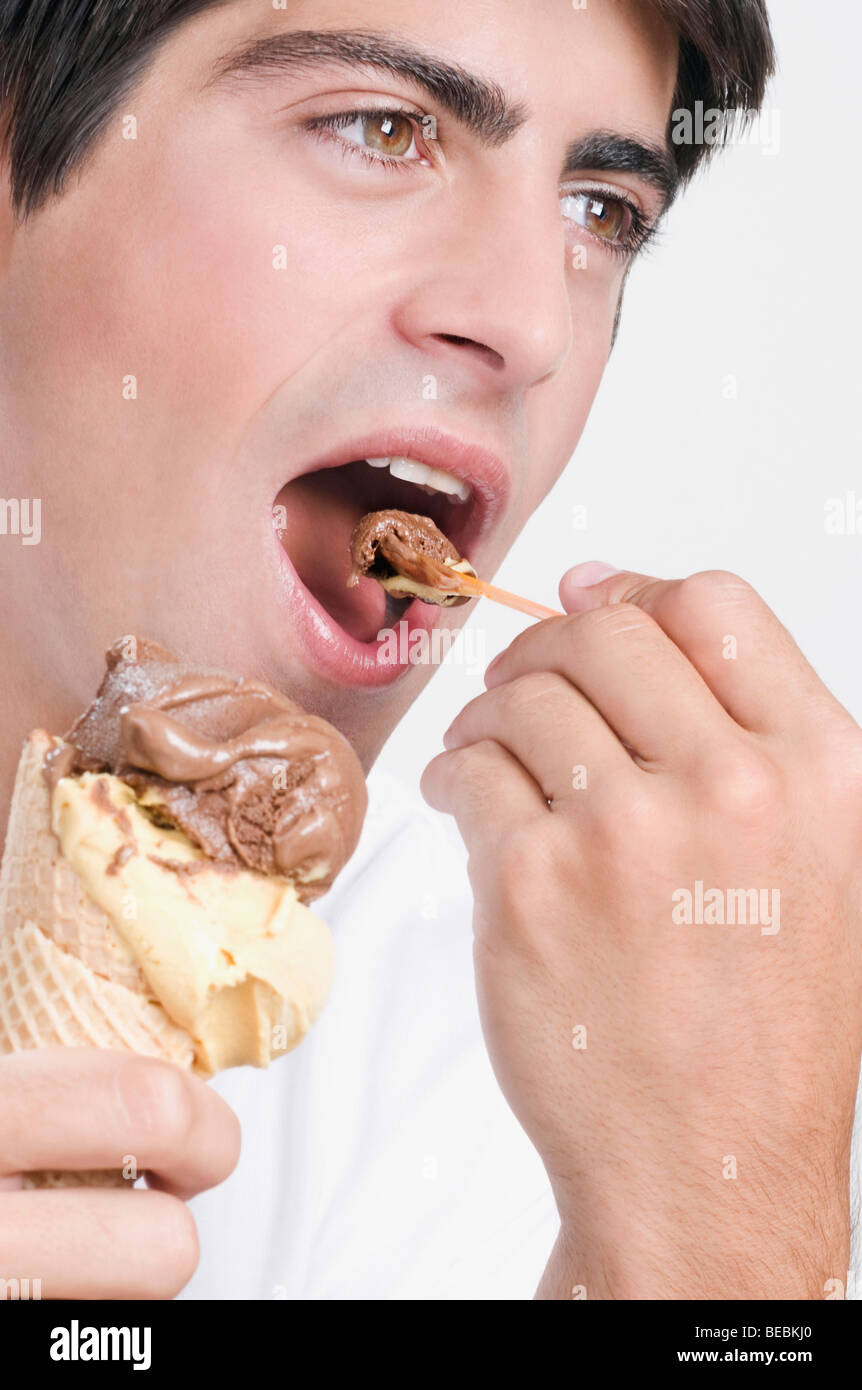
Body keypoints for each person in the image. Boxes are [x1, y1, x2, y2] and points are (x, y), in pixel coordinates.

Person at [1, 0, 858, 1301]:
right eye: (380, 128)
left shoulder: (532, 1035)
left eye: (599, 211)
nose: (531, 325)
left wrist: (715, 1251)